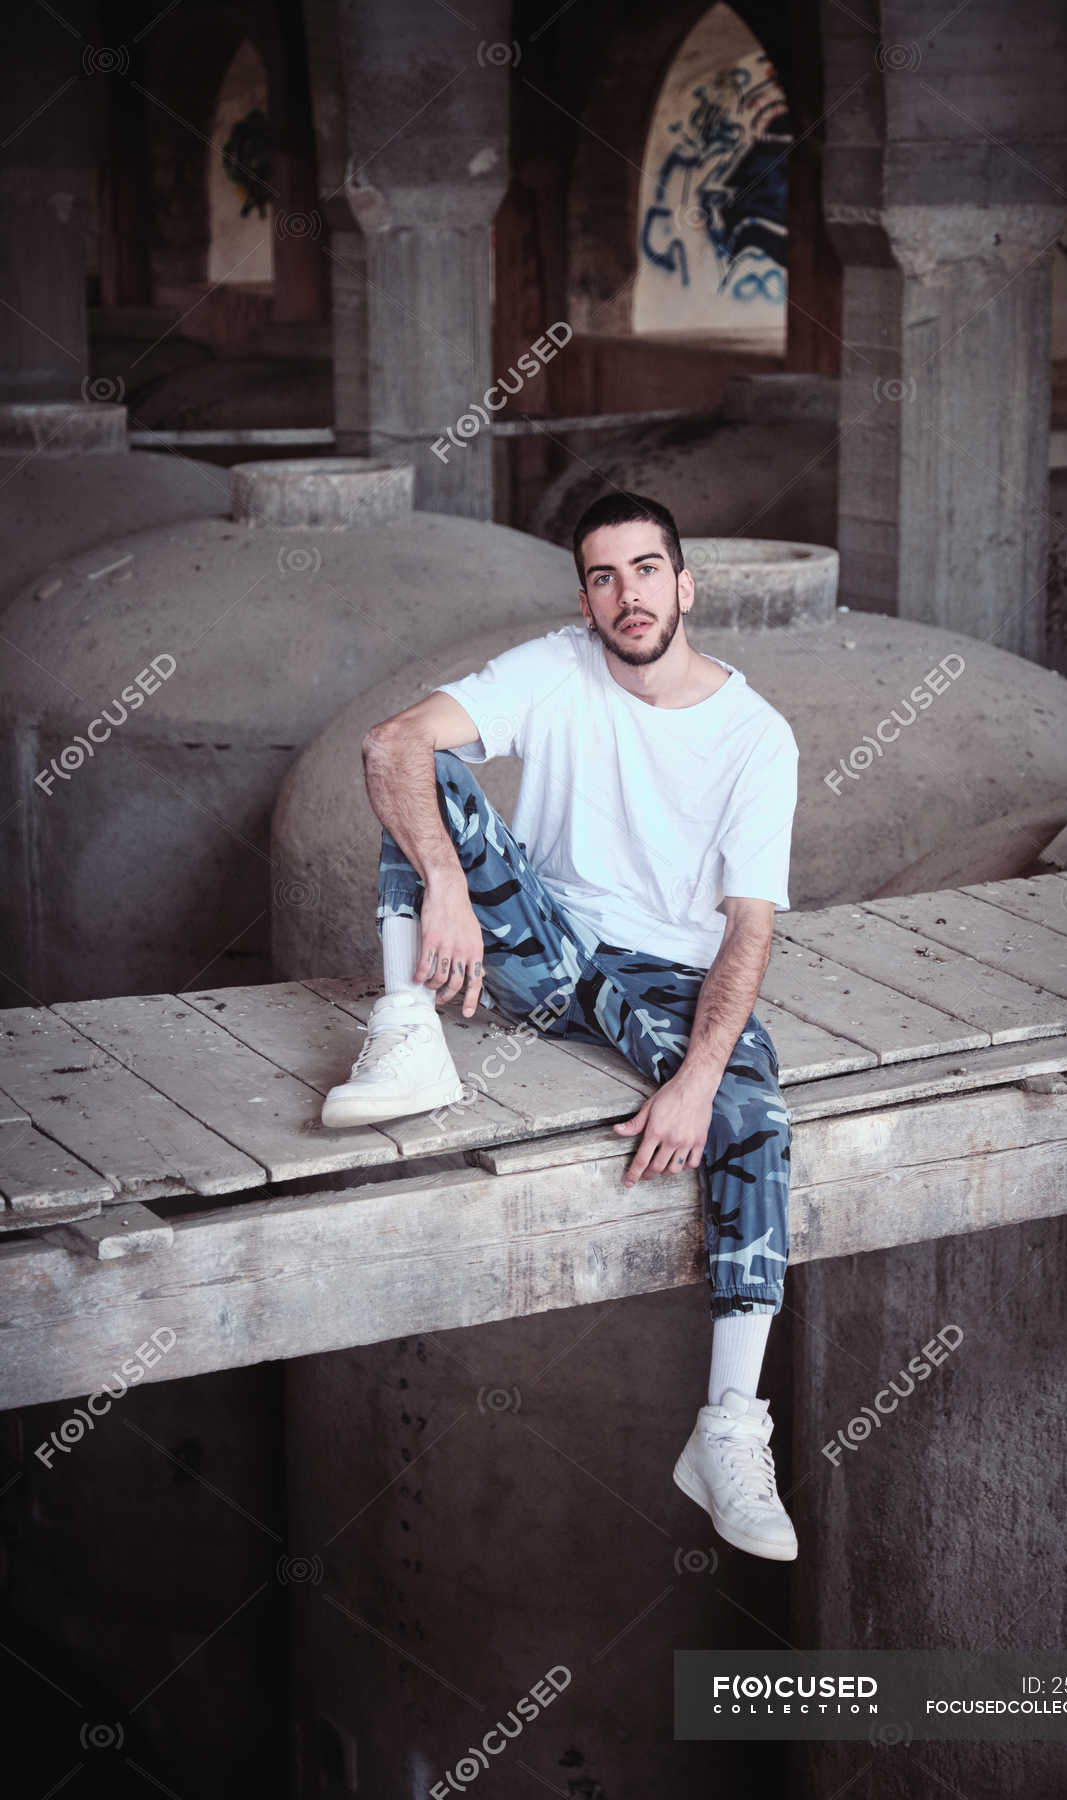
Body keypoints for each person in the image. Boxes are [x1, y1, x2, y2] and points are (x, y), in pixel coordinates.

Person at [322, 491, 801, 1562]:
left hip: (667, 979)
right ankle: (407, 1028)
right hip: (538, 952)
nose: (627, 595)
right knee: (419, 767)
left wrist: (694, 1079)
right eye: (602, 576)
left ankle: (725, 1429)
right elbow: (392, 746)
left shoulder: (756, 738)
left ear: (686, 585)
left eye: (645, 570)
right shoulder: (554, 667)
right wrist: (446, 880)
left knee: (754, 1117)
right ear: (585, 598)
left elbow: (749, 933)